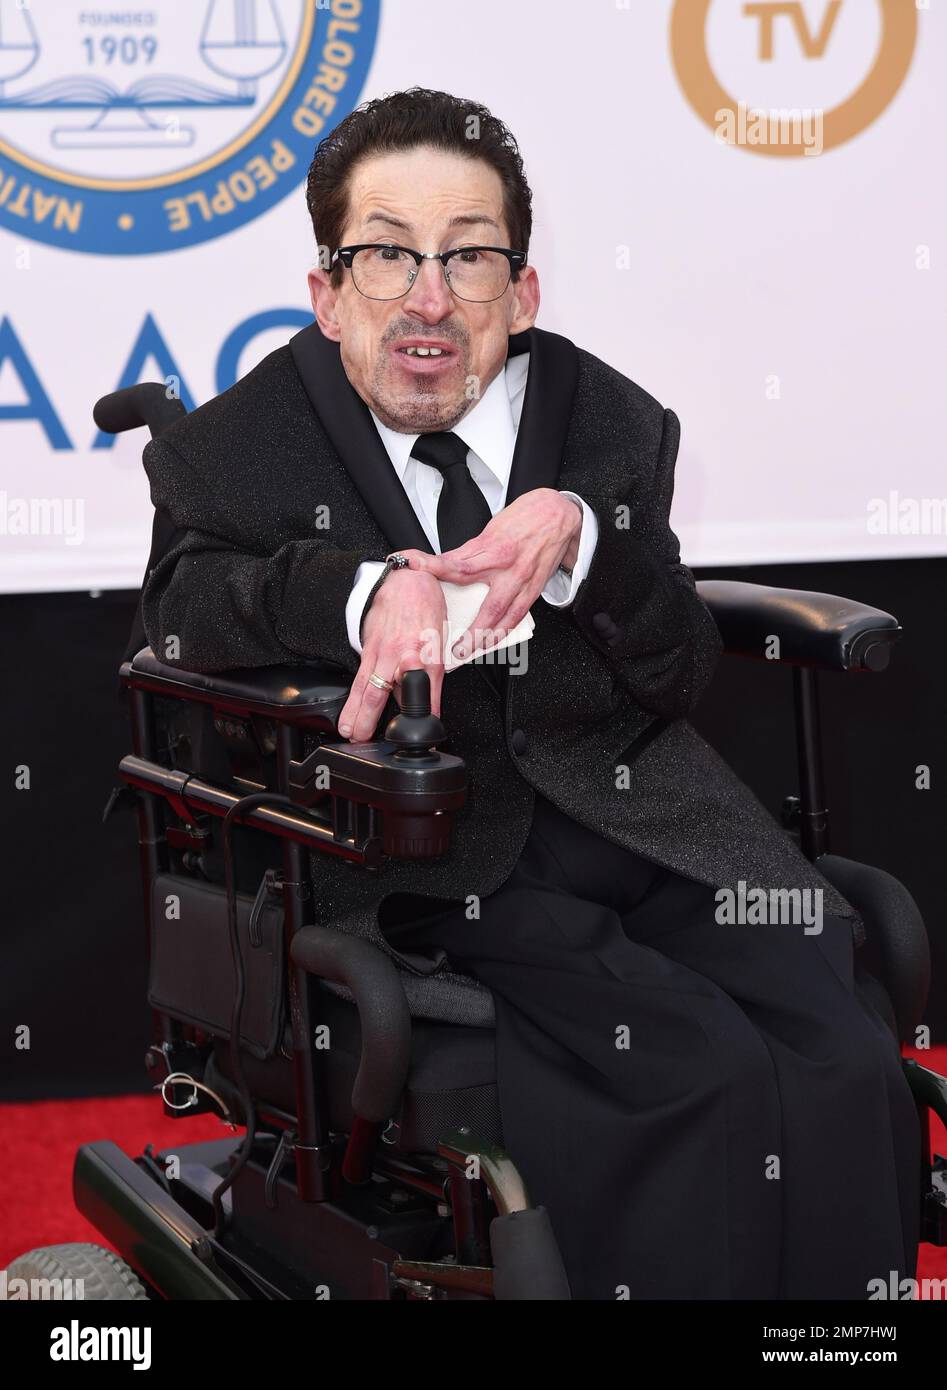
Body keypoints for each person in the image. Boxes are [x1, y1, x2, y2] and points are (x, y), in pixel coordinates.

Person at [137, 87, 919, 1300]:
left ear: (525, 290)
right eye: (387, 254)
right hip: (426, 850)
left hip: (642, 815)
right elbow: (181, 614)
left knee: (844, 1052)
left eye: (471, 257)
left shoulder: (605, 426)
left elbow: (674, 670)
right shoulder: (236, 451)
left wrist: (587, 545)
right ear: (328, 291)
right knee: (689, 1064)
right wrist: (354, 595)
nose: (430, 298)